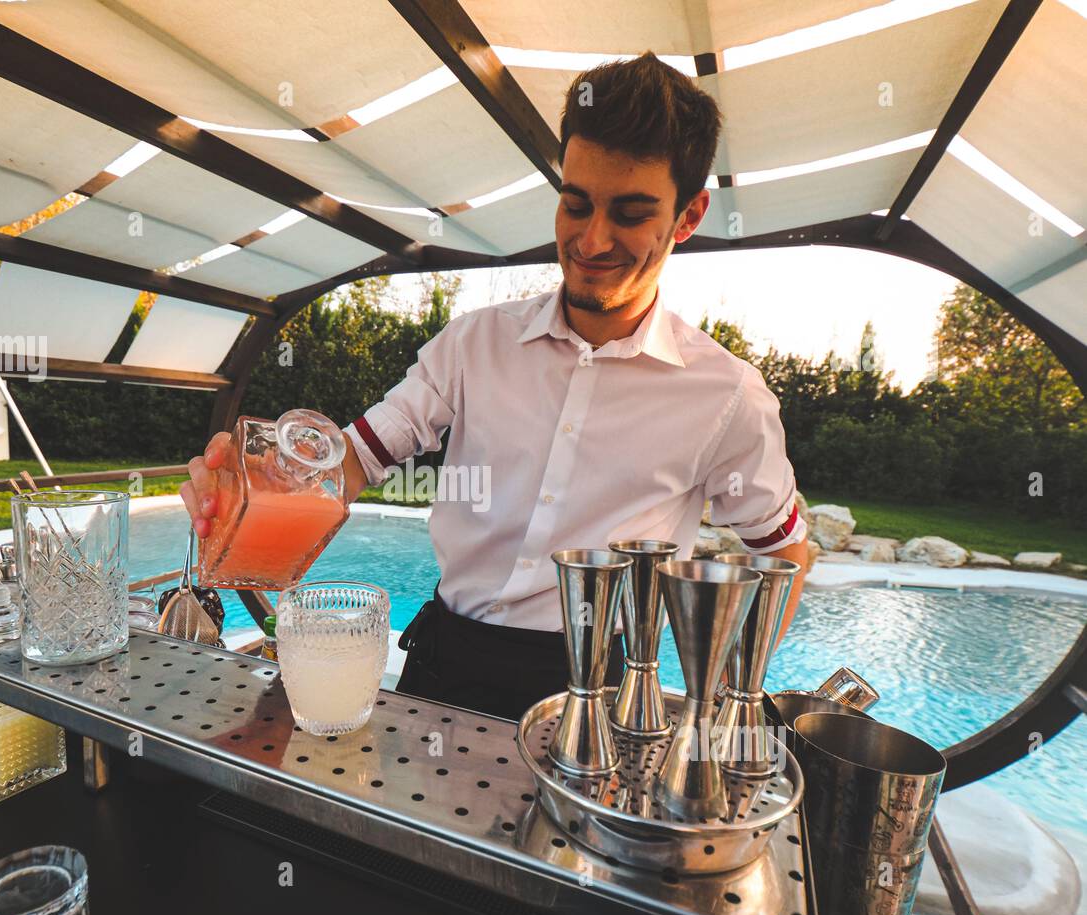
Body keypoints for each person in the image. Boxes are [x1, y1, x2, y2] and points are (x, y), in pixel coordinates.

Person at [181, 53, 809, 722]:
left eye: (629, 213)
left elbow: (783, 550)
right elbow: (359, 457)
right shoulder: (473, 342)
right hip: (449, 663)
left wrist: (731, 697)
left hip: (603, 694)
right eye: (575, 203)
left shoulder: (726, 394)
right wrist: (261, 486)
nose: (591, 239)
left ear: (688, 216)